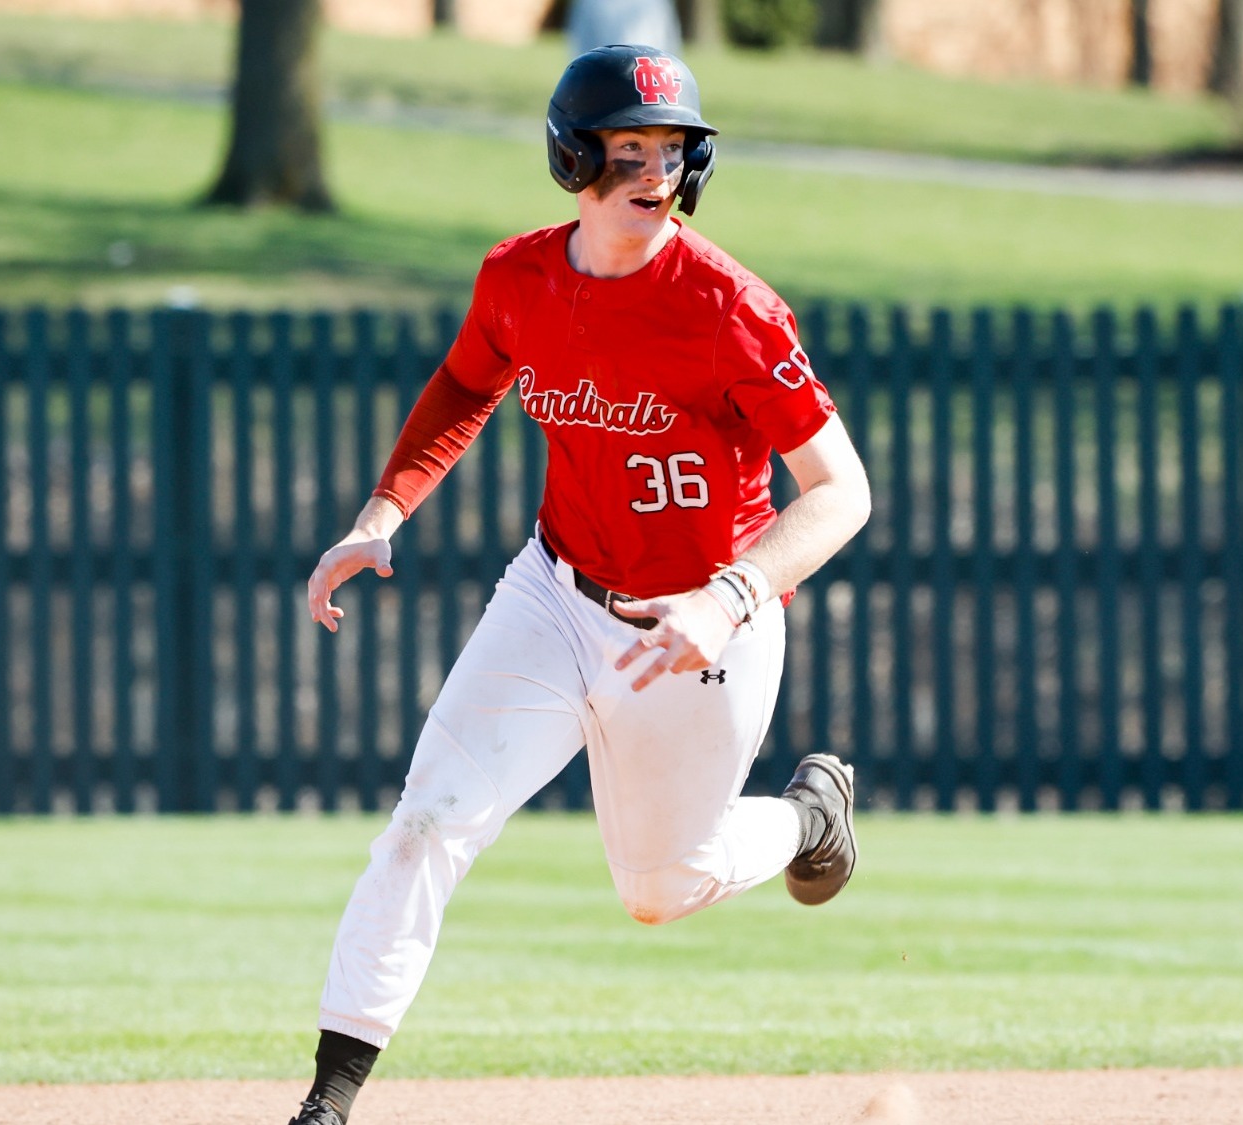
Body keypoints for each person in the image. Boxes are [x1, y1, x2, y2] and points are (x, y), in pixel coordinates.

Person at [289, 44, 872, 1125]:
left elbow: (842, 493)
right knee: (426, 825)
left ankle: (805, 819)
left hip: (699, 628)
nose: (654, 173)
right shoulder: (518, 279)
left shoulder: (729, 308)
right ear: (572, 158)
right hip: (553, 595)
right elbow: (467, 381)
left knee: (658, 891)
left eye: (672, 151)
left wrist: (729, 598)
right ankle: (327, 1103)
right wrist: (382, 513)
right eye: (629, 149)